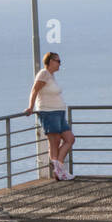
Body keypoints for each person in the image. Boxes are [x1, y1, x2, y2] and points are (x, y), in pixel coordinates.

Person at [25, 51, 75, 181]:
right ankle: (59, 170)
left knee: (70, 139)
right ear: (50, 61)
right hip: (48, 112)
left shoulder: (51, 76)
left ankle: (58, 167)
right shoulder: (43, 74)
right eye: (58, 61)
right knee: (55, 142)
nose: (60, 64)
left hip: (59, 112)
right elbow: (34, 90)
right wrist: (30, 107)